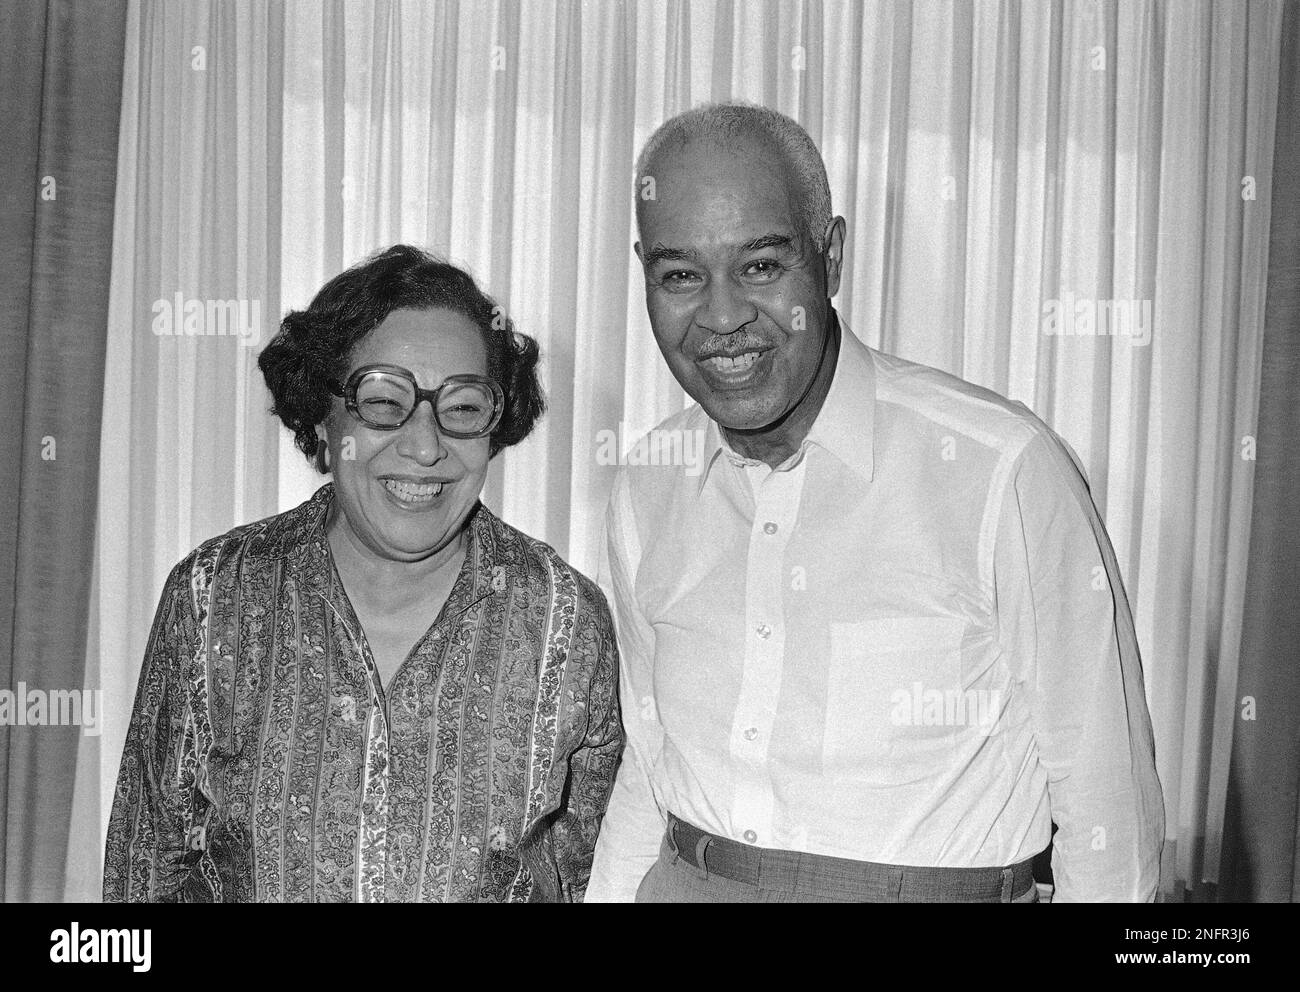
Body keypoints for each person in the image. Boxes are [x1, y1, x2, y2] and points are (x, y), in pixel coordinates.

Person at [586, 103, 1164, 903]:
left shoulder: (1004, 468)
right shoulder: (646, 485)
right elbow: (648, 773)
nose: (721, 316)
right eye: (680, 274)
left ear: (831, 258)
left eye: (760, 265)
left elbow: (1111, 812)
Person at [104, 245, 622, 902]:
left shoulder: (566, 622)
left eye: (462, 407)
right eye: (383, 400)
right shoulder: (215, 598)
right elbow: (143, 869)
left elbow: (588, 879)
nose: (426, 445)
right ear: (324, 416)